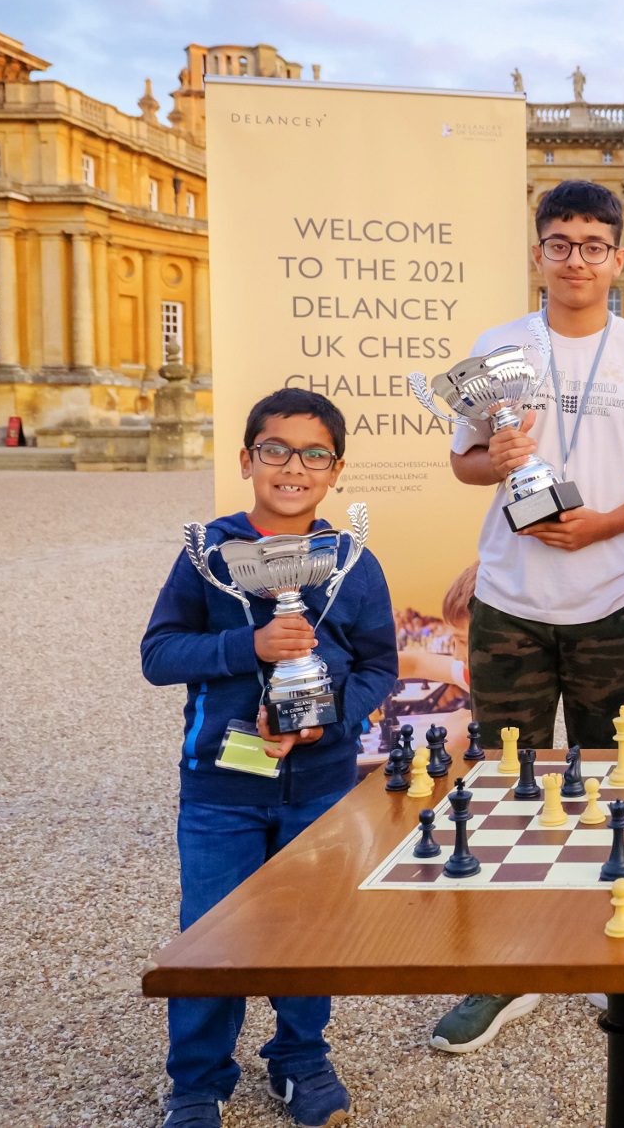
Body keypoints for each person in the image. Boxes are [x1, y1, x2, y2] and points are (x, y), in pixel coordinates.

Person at [430, 178, 624, 1054]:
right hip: (510, 599)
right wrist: (496, 456)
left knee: (609, 778)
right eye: (559, 242)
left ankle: (603, 949)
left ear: (618, 259)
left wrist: (603, 525)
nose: (575, 258)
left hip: (614, 598)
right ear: (537, 252)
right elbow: (467, 463)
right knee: (508, 781)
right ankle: (506, 968)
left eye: (592, 244)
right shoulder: (498, 345)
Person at [141, 388, 398, 1128]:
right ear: (247, 457)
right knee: (211, 931)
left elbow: (379, 666)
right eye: (277, 450)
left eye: (313, 454)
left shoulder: (351, 562)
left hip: (319, 785)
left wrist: (329, 717)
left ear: (336, 469)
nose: (294, 466)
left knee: (308, 930)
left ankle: (299, 1054)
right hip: (222, 786)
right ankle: (196, 1077)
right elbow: (158, 654)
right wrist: (247, 646)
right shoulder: (207, 555)